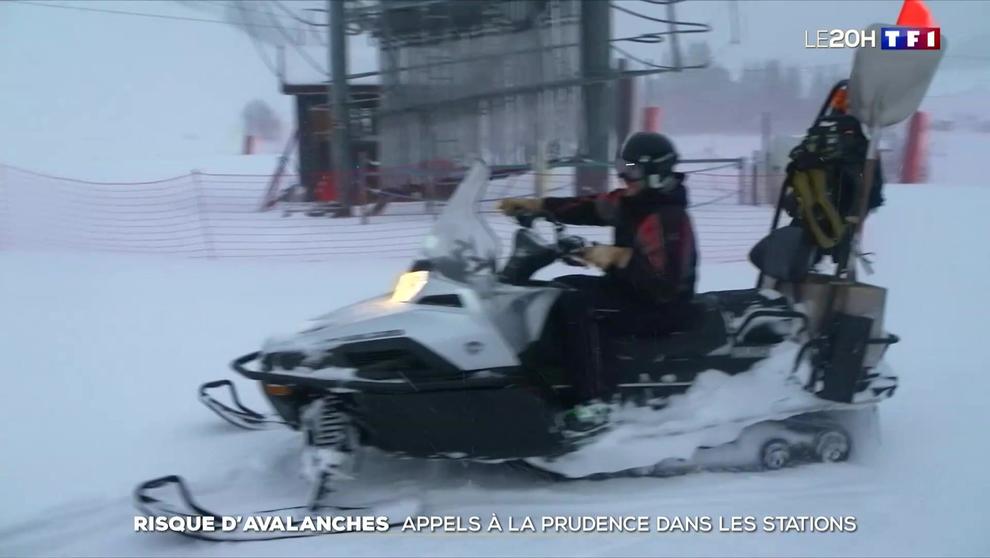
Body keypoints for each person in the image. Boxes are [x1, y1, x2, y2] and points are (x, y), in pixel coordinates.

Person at [498, 132, 698, 435]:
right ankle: (550, 377)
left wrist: (617, 258)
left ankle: (595, 401)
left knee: (582, 307)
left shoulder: (667, 217)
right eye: (621, 166)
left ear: (656, 172)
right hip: (632, 292)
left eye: (632, 170)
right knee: (558, 290)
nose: (623, 176)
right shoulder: (634, 200)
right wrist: (539, 206)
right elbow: (591, 207)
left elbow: (664, 284)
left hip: (662, 307)